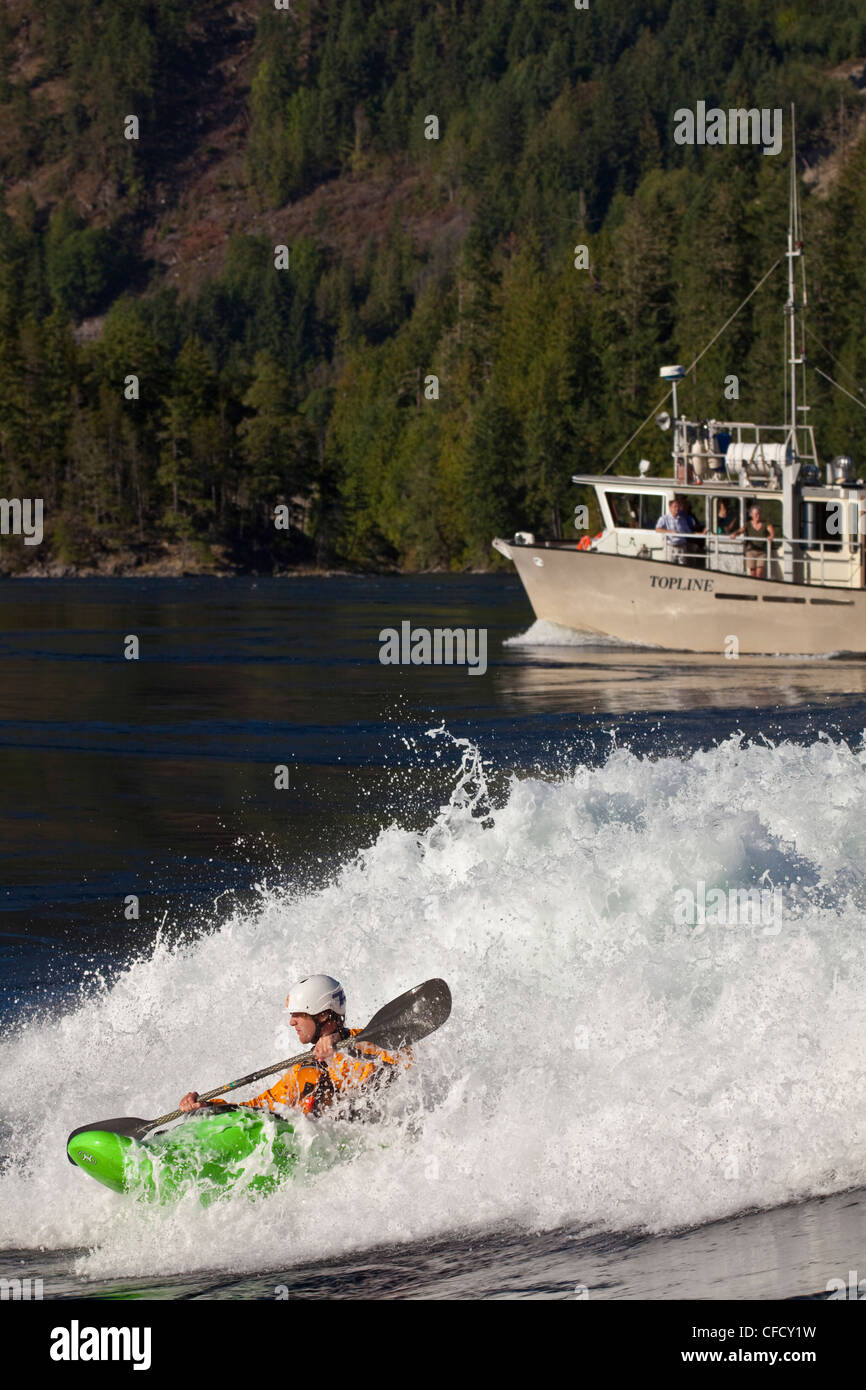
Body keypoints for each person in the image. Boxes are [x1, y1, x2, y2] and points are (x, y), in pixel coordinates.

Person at [178, 975, 411, 1121]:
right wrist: (208, 1106)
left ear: (322, 1015)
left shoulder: (366, 1043)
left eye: (298, 1015)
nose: (291, 1022)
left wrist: (343, 1041)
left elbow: (404, 1057)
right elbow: (257, 1108)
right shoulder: (303, 1070)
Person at [655, 494, 705, 565]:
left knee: (682, 566)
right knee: (670, 566)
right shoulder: (664, 518)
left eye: (678, 507)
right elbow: (657, 529)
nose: (677, 509)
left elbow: (689, 533)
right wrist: (670, 532)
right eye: (675, 507)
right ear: (670, 508)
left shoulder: (682, 519)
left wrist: (702, 534)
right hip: (671, 547)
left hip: (681, 547)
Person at [741, 504, 775, 579]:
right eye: (756, 514)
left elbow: (771, 531)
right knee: (752, 573)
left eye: (759, 513)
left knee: (759, 574)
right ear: (751, 515)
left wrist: (771, 535)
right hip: (751, 551)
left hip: (761, 552)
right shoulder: (748, 524)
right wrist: (734, 534)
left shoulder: (765, 523)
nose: (758, 516)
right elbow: (741, 530)